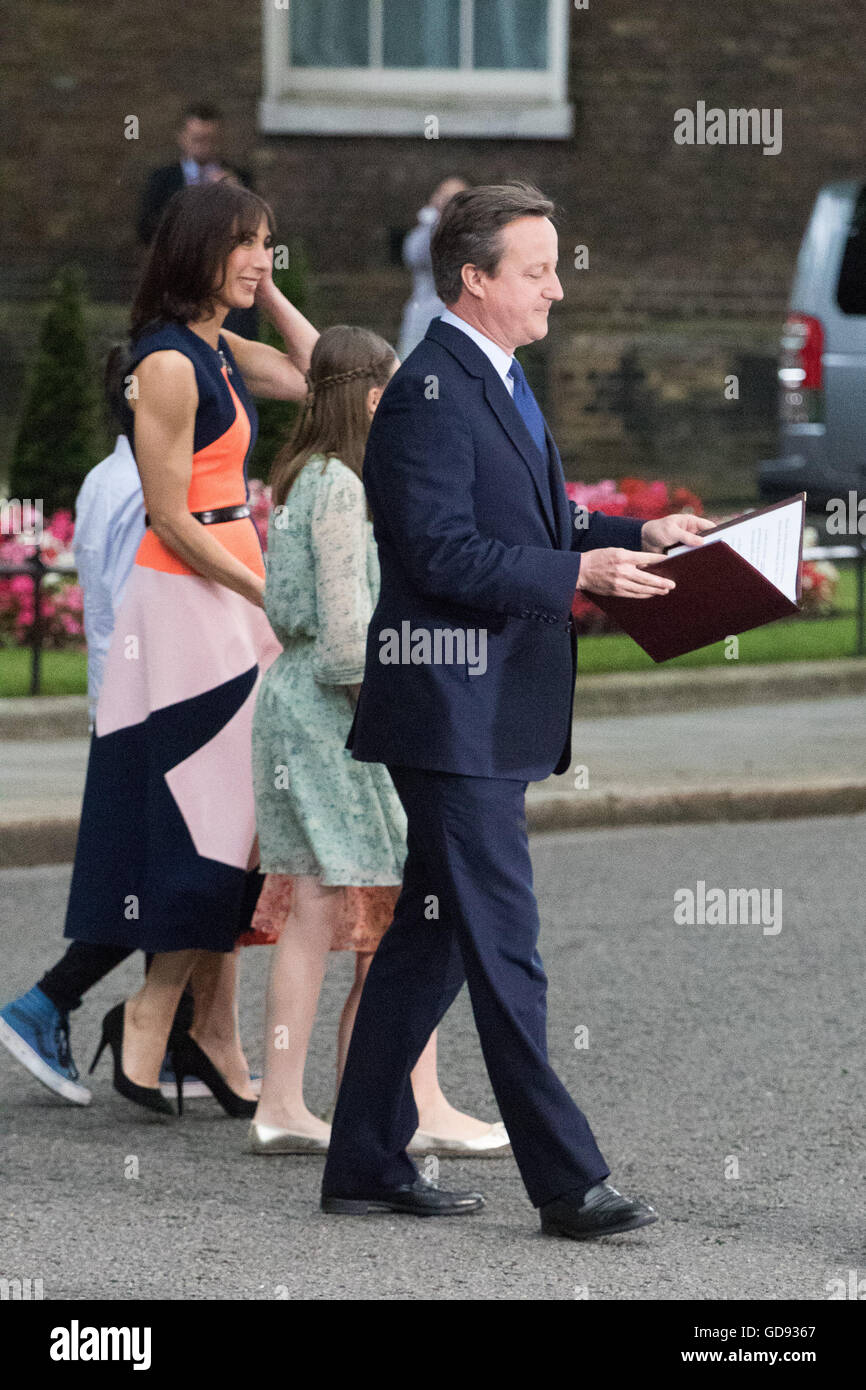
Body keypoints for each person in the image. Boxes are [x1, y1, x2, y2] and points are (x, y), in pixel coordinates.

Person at [320, 182, 714, 1235]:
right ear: (474, 279)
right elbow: (441, 551)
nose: (555, 287)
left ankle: (361, 1157)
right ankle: (565, 1180)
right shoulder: (425, 394)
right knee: (504, 942)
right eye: (536, 269)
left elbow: (540, 510)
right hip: (450, 708)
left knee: (433, 939)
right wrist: (580, 572)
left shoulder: (493, 375)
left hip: (484, 706)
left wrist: (636, 532)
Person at [62, 179, 318, 1118]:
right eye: (247, 245)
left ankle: (175, 1022)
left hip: (230, 590)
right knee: (210, 822)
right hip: (187, 598)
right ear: (199, 250)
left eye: (268, 243)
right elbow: (169, 516)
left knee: (237, 825)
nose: (262, 259)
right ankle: (155, 1013)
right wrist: (265, 590)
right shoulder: (168, 363)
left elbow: (327, 375)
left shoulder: (217, 346)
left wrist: (266, 290)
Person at [246, 325, 510, 1157]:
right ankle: (381, 1099)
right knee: (359, 905)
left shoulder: (307, 473)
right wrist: (394, 717)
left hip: (301, 704)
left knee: (334, 905)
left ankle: (336, 1099)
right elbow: (347, 629)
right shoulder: (337, 487)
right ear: (371, 400)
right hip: (337, 712)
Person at [137, 102, 258, 338]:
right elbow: (144, 230)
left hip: (225, 284)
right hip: (176, 284)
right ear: (182, 138)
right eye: (197, 139)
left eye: (210, 140)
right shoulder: (164, 180)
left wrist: (238, 195)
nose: (204, 147)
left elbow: (256, 232)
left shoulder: (240, 178)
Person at [397, 177, 468, 360]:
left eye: (453, 197)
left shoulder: (471, 233)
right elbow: (414, 256)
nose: (446, 201)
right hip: (423, 312)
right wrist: (433, 221)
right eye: (443, 195)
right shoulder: (426, 227)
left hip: (460, 315)